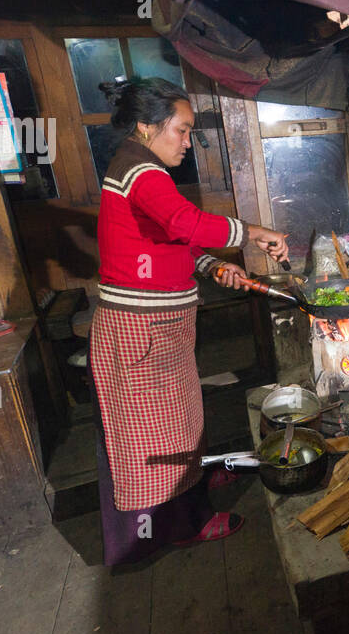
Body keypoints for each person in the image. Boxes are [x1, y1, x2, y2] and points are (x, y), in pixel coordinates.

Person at [90, 77, 287, 566]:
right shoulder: (138, 168)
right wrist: (251, 232)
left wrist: (213, 265)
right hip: (140, 332)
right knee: (154, 436)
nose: (187, 141)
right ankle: (180, 526)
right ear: (146, 126)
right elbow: (184, 223)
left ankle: (193, 477)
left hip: (163, 330)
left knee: (180, 420)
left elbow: (173, 238)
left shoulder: (142, 167)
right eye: (180, 130)